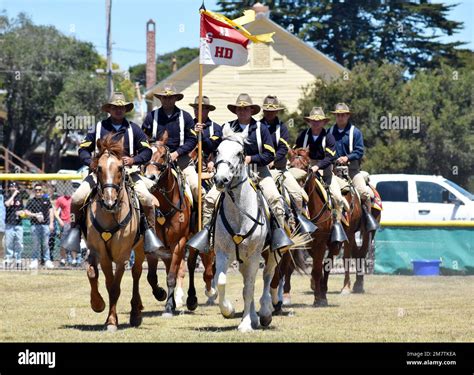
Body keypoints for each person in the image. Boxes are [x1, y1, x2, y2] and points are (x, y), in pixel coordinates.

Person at [63, 92, 163, 254]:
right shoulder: (97, 128)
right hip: (100, 174)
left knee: (146, 199)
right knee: (77, 198)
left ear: (125, 109)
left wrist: (133, 160)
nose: (118, 110)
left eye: (121, 107)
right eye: (115, 107)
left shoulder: (134, 129)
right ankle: (75, 232)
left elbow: (146, 152)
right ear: (109, 109)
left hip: (129, 174)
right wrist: (93, 163)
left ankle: (149, 233)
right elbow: (83, 150)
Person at [191, 93, 293, 251]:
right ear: (235, 111)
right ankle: (208, 236)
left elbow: (269, 154)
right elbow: (212, 147)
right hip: (233, 173)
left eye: (245, 109)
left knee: (274, 198)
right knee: (210, 199)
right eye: (239, 109)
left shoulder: (261, 128)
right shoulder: (227, 127)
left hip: (258, 170)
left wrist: (250, 159)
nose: (242, 112)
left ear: (251, 110)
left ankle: (278, 237)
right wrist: (201, 134)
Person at [141, 84, 199, 202]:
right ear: (160, 99)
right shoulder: (151, 116)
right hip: (155, 159)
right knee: (140, 187)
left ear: (176, 98)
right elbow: (143, 139)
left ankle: (199, 219)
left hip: (181, 159)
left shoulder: (186, 117)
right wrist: (152, 147)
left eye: (170, 97)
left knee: (196, 187)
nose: (167, 100)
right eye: (165, 97)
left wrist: (177, 153)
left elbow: (192, 139)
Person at [292, 107, 348, 226]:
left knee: (337, 197)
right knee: (291, 194)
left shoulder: (329, 137)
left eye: (319, 121)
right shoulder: (303, 136)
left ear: (323, 122)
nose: (316, 123)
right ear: (309, 122)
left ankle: (337, 225)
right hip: (304, 173)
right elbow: (296, 152)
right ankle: (292, 222)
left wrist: (317, 166)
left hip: (325, 173)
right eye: (313, 120)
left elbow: (330, 157)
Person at [260, 95, 308, 225]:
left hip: (280, 169)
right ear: (263, 111)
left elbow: (283, 149)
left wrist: (272, 160)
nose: (270, 113)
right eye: (267, 110)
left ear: (277, 111)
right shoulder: (256, 126)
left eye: (273, 111)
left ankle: (296, 222)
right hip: (259, 170)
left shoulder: (282, 128)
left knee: (297, 193)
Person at [328, 103, 376, 225]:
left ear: (348, 116)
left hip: (352, 171)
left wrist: (347, 157)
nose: (340, 117)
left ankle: (367, 222)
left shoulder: (355, 132)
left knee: (364, 193)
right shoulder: (329, 132)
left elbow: (359, 151)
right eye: (338, 115)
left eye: (343, 115)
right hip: (333, 172)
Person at [25, 183, 54, 269]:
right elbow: (26, 212)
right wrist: (35, 215)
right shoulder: (31, 201)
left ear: (42, 191)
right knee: (35, 244)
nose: (38, 191)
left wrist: (51, 223)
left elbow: (51, 211)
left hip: (45, 225)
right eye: (36, 190)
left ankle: (47, 260)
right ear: (34, 191)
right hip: (35, 225)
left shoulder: (46, 200)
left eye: (39, 190)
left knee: (45, 244)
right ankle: (34, 260)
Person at [190, 95, 222, 173]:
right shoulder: (188, 126)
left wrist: (201, 135)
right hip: (189, 165)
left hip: (209, 167)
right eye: (196, 108)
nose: (197, 111)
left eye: (201, 108)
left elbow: (212, 147)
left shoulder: (216, 128)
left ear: (208, 110)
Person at [4, 182, 25, 267]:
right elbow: (7, 204)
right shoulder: (7, 196)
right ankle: (8, 258)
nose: (13, 188)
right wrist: (13, 195)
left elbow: (23, 210)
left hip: (18, 223)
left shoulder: (20, 198)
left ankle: (18, 259)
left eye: (15, 187)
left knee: (19, 242)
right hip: (9, 223)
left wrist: (21, 213)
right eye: (11, 186)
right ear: (9, 188)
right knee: (9, 243)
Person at [55, 192, 78, 266]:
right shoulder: (60, 199)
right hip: (64, 223)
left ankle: (74, 260)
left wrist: (74, 222)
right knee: (63, 242)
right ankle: (63, 259)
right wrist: (60, 220)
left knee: (73, 242)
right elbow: (55, 211)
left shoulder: (74, 199)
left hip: (73, 222)